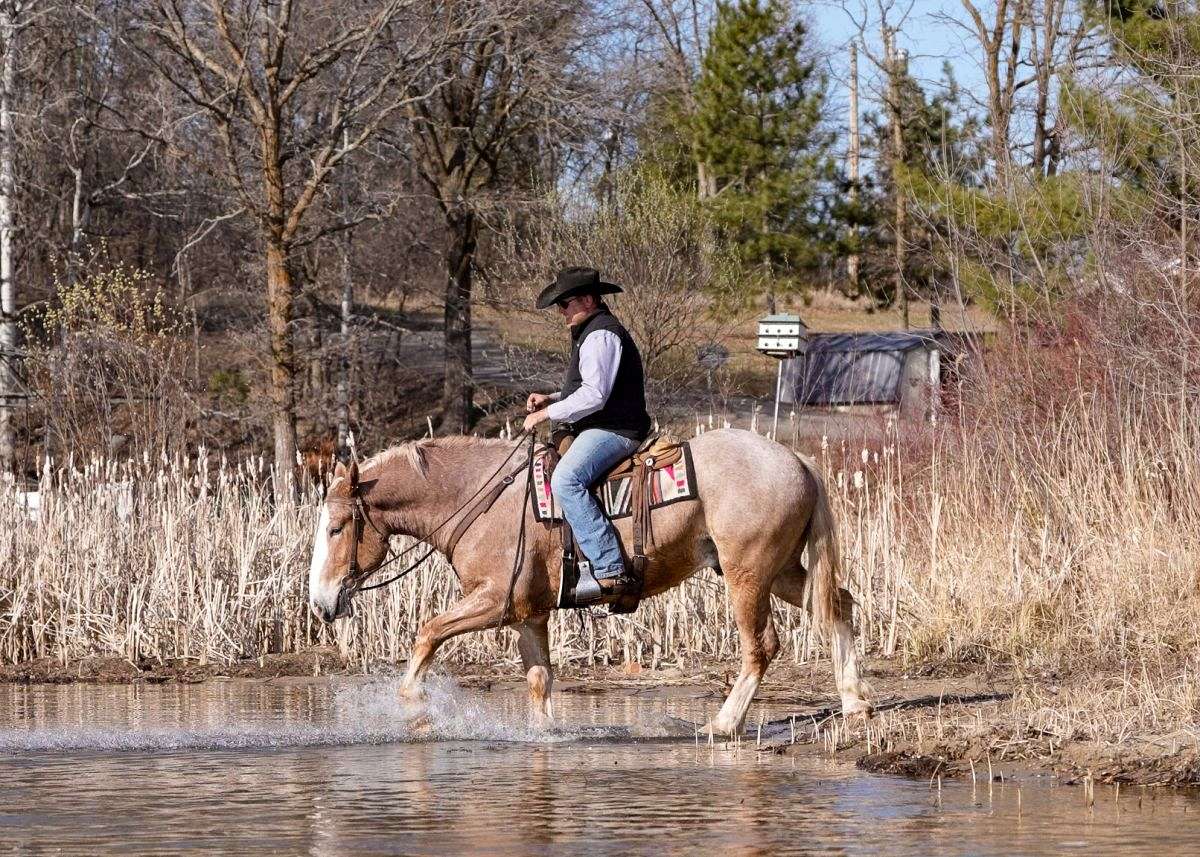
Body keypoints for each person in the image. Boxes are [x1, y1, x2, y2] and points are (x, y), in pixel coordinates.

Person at [523, 266, 652, 601]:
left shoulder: (601, 334)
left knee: (565, 480)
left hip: (616, 429)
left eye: (564, 303)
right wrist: (551, 397)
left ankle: (610, 568)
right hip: (605, 425)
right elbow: (586, 386)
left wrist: (546, 414)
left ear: (588, 300)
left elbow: (596, 395)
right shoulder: (592, 331)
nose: (560, 311)